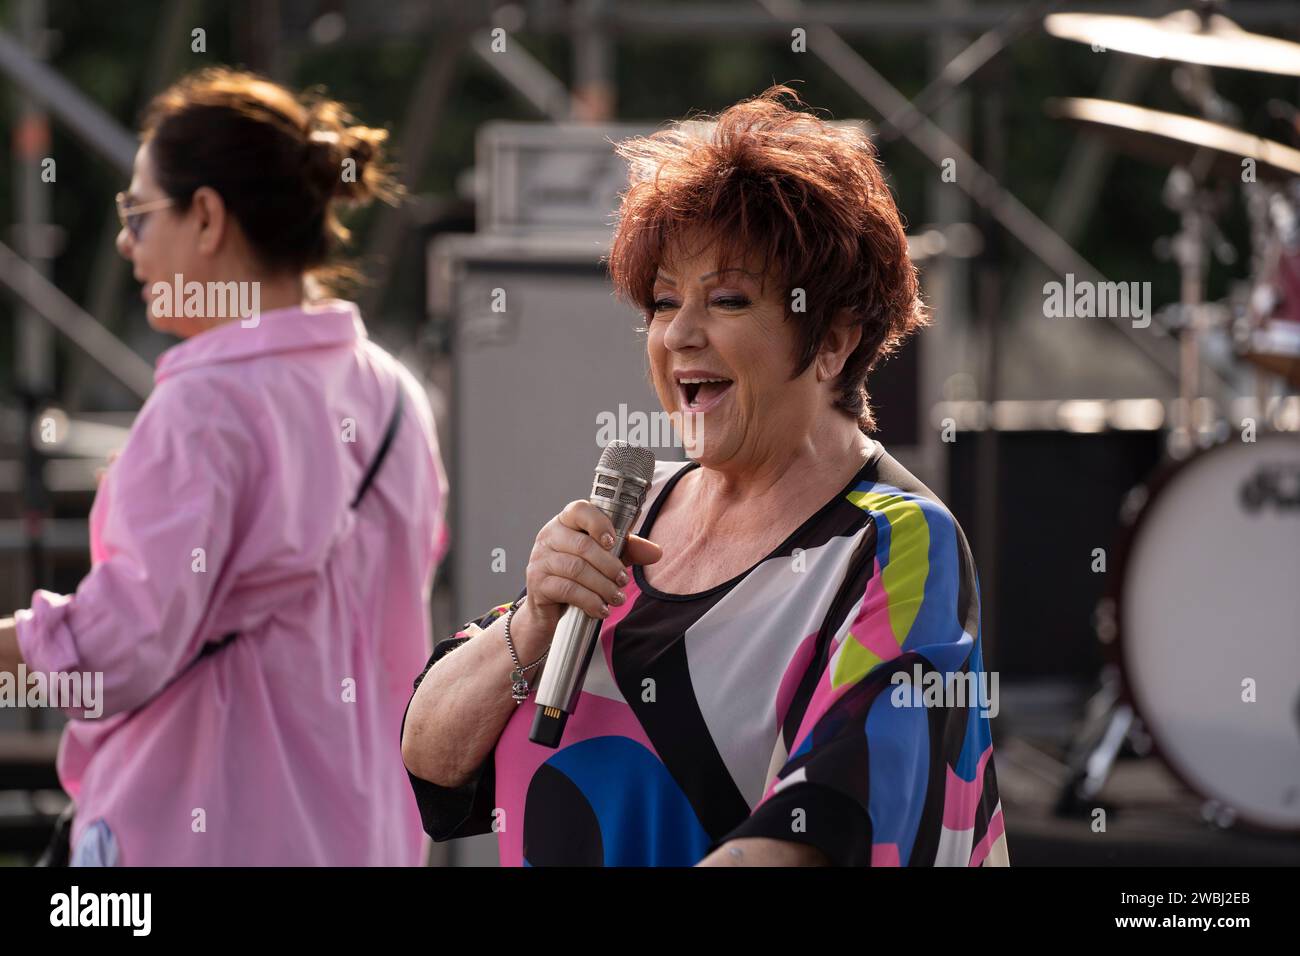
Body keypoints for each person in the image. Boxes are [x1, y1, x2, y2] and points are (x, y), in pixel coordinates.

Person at [402, 85, 1008, 867]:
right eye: (661, 301)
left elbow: (816, 831)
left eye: (727, 299)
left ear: (832, 338)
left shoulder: (894, 544)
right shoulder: (636, 505)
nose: (679, 334)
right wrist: (533, 624)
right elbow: (434, 761)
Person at [0, 67, 448, 865]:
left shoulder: (202, 405)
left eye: (138, 214)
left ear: (206, 217)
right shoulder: (395, 397)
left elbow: (112, 656)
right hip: (370, 837)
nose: (125, 243)